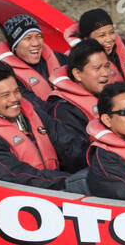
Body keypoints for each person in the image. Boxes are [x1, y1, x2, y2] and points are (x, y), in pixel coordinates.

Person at [0, 60, 67, 189]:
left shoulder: (33, 113)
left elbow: (68, 144)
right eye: (5, 95)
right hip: (30, 193)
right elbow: (15, 175)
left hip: (57, 184)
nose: (14, 99)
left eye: (16, 92)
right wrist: (68, 181)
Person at [48, 38, 113, 171]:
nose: (105, 73)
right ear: (77, 74)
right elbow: (74, 157)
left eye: (107, 66)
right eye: (97, 68)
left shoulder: (114, 97)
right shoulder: (62, 110)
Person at [0, 13, 69, 114]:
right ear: (15, 46)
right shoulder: (5, 76)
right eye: (28, 38)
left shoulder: (59, 58)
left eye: (38, 36)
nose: (36, 43)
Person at [63, 8, 125, 87]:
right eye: (102, 35)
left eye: (112, 32)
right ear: (87, 39)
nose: (109, 39)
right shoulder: (75, 58)